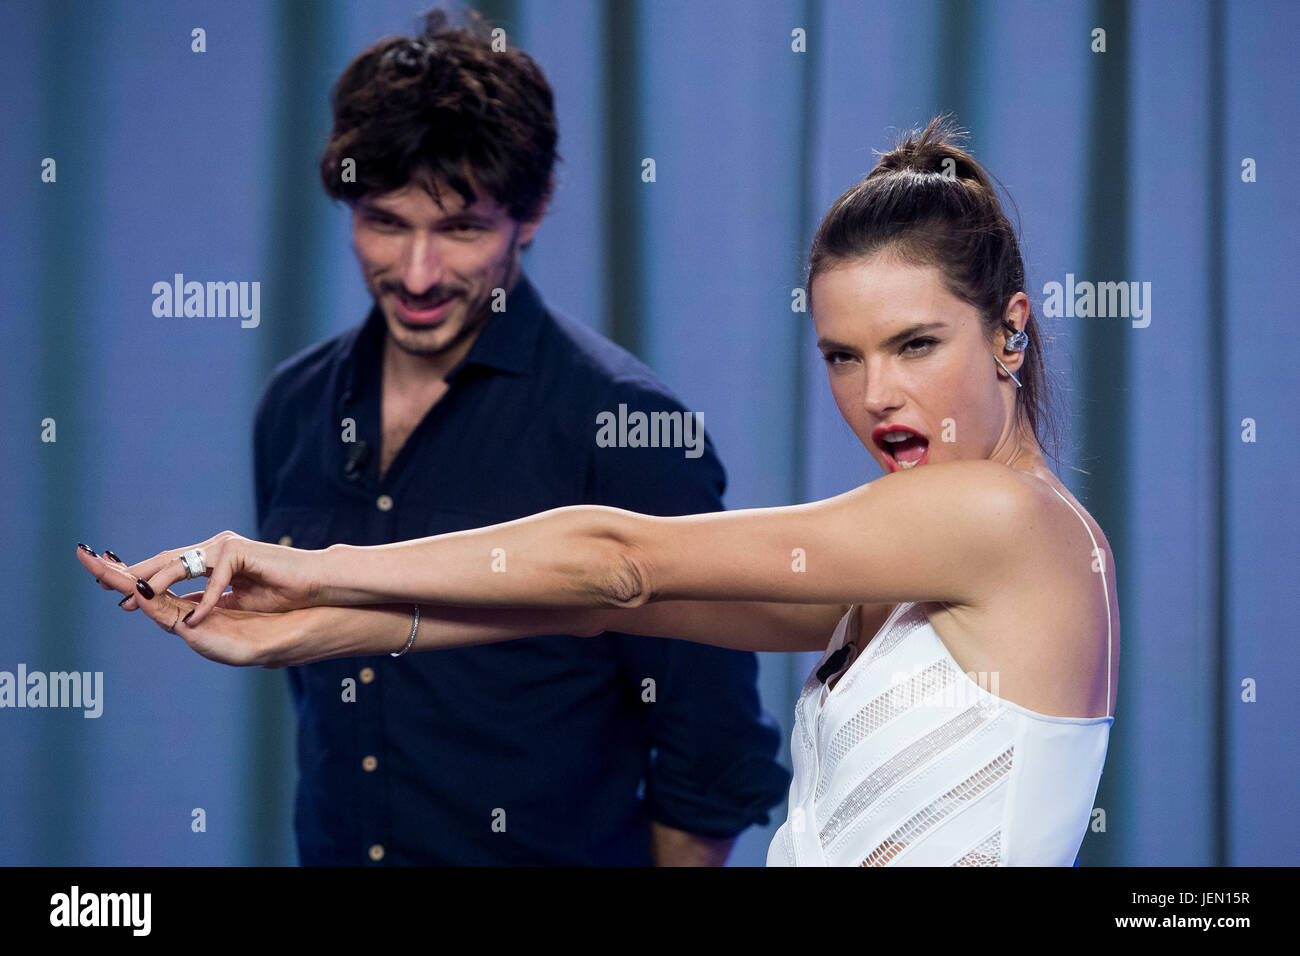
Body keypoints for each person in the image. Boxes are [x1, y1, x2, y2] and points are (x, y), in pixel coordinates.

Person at [81, 115, 1120, 867]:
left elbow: (622, 560)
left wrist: (309, 563)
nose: (877, 392)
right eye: (842, 356)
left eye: (916, 343)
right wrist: (320, 625)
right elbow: (589, 603)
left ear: (1010, 328)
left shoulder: (1002, 519)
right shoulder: (899, 562)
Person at [94, 8, 792, 866]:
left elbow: (712, 755)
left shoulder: (629, 427)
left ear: (530, 214)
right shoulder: (293, 405)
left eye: (460, 229)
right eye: (386, 222)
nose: (418, 274)